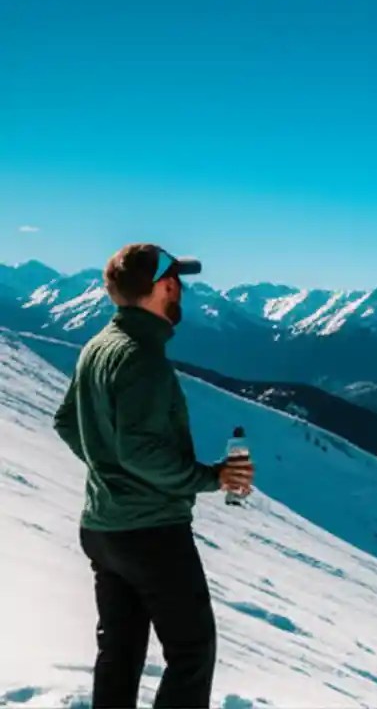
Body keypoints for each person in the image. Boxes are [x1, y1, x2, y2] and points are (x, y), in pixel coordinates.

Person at [53, 243, 255, 709]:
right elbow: (140, 450)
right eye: (177, 282)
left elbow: (67, 422)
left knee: (120, 652)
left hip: (104, 527)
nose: (180, 290)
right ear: (164, 286)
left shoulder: (98, 347)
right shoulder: (141, 356)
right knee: (192, 651)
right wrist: (211, 477)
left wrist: (108, 469)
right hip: (151, 532)